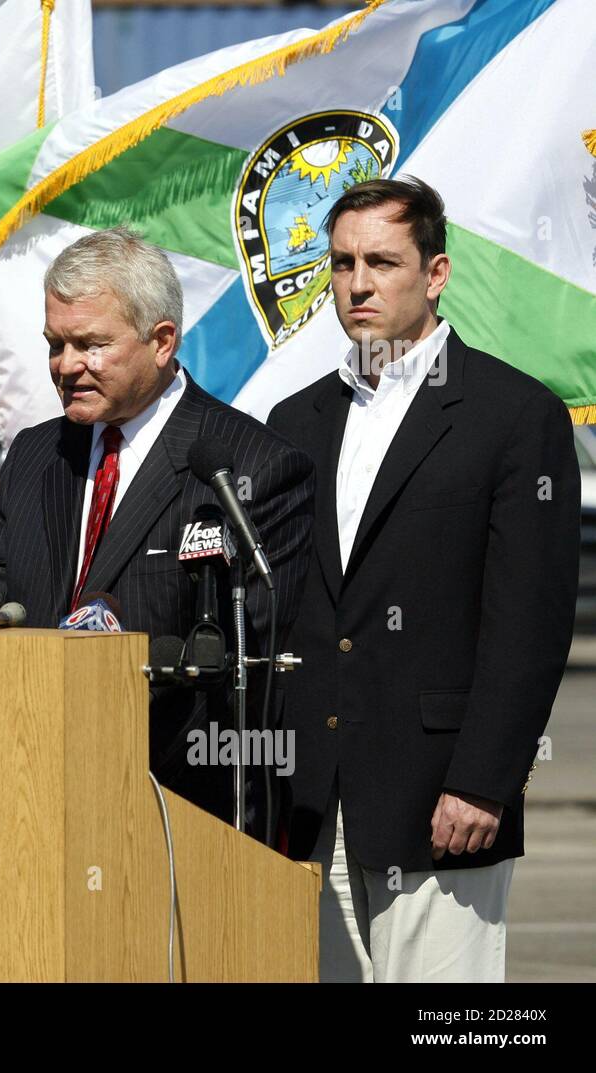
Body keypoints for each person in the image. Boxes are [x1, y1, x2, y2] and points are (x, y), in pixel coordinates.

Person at [265, 176, 580, 982]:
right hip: (308, 801)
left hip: (443, 800)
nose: (358, 283)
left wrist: (483, 781)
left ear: (436, 274)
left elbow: (530, 624)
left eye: (381, 261)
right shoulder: (293, 421)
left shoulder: (515, 415)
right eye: (341, 264)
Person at [0, 226, 314, 825]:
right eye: (56, 344)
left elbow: (249, 665)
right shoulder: (33, 455)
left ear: (161, 341)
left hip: (174, 811)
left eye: (90, 344)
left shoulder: (249, 466)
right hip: (24, 791)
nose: (67, 366)